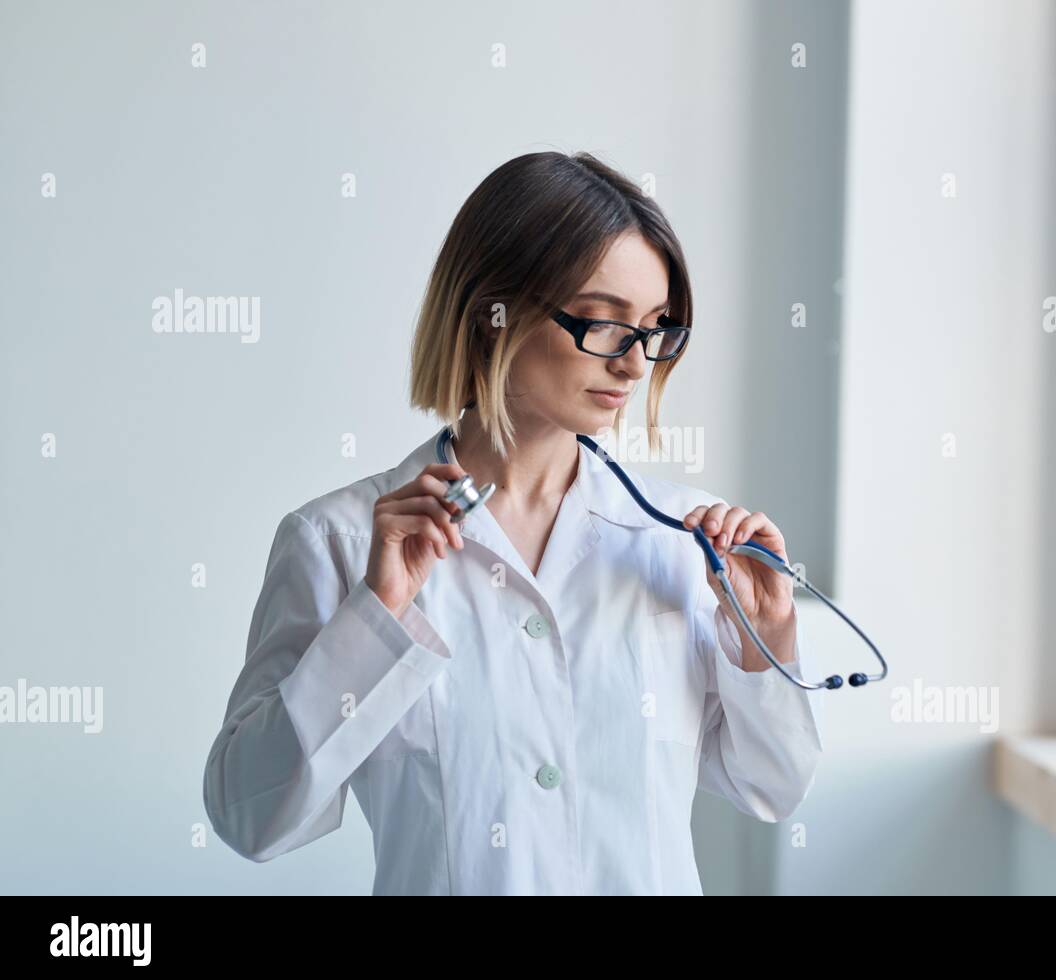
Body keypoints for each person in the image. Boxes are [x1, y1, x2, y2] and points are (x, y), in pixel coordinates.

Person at [202, 150, 823, 895]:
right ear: (492, 315)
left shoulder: (680, 544)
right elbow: (251, 819)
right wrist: (377, 617)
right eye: (603, 324)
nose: (635, 364)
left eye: (656, 329)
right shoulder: (336, 542)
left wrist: (765, 640)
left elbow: (773, 786)